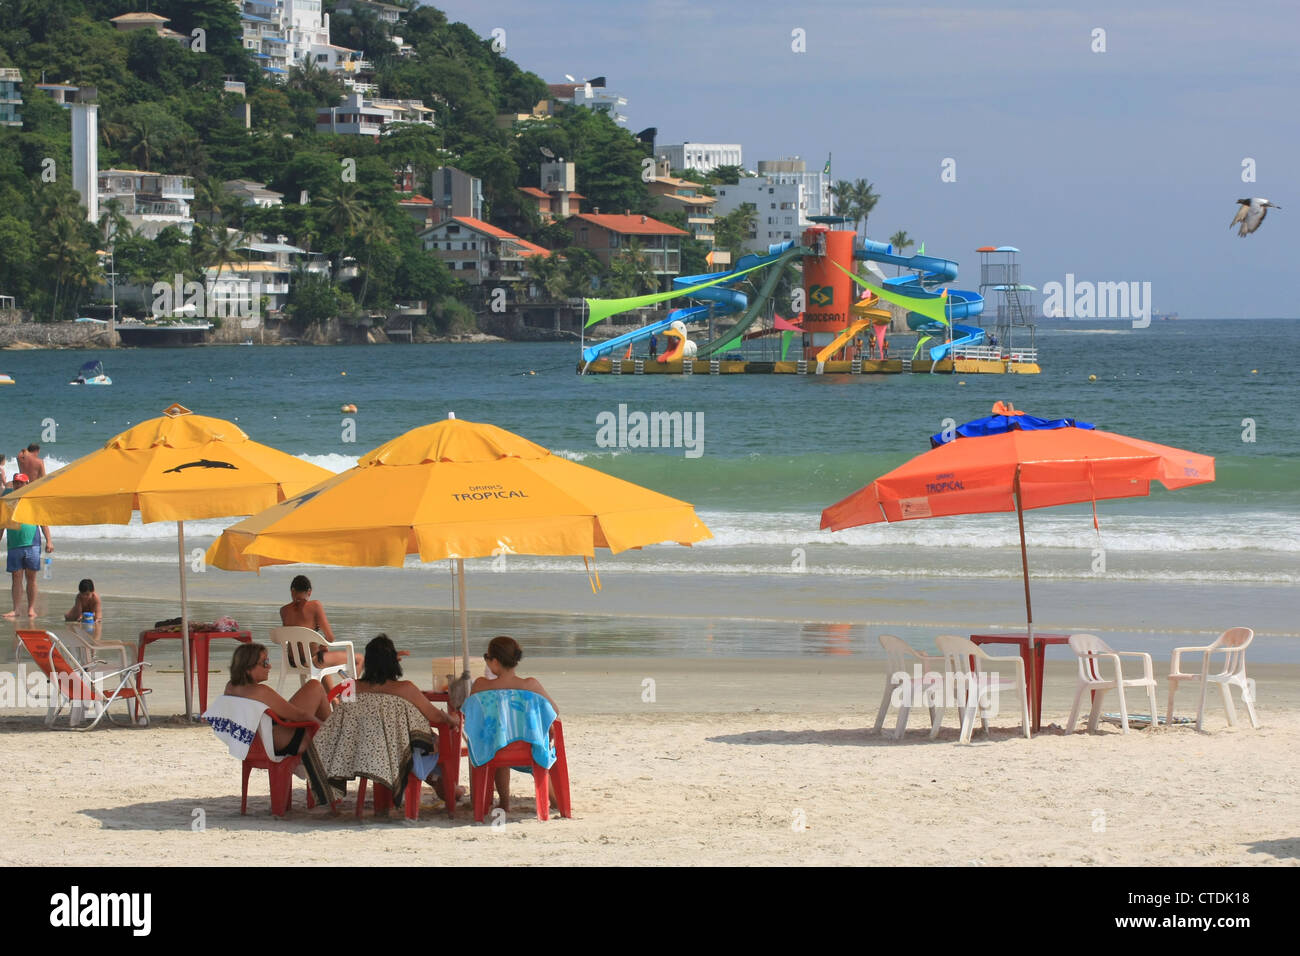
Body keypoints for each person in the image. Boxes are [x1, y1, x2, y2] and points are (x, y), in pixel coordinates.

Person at [353, 633, 461, 803]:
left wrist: (381, 661)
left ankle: (437, 780)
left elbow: (344, 711)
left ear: (367, 662)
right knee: (435, 741)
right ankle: (444, 785)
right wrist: (452, 719)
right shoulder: (405, 688)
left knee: (419, 740)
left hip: (367, 751)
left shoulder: (351, 688)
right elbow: (435, 715)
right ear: (393, 663)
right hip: (402, 753)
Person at [470, 635, 559, 812]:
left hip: (492, 748)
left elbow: (471, 711)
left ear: (494, 661)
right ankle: (555, 801)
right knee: (534, 749)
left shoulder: (481, 685)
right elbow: (553, 710)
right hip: (530, 746)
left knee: (500, 738)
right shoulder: (530, 685)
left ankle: (504, 802)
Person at [223, 642, 330, 757]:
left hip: (252, 744)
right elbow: (300, 715)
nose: (269, 666)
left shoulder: (231, 687)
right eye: (265, 663)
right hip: (280, 744)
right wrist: (324, 727)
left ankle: (332, 731)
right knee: (315, 686)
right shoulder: (261, 691)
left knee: (313, 688)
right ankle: (334, 733)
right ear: (248, 668)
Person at [279, 574, 363, 679]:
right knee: (359, 659)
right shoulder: (315, 605)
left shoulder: (284, 611)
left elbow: (296, 632)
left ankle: (334, 696)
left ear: (292, 591)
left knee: (321, 661)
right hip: (313, 660)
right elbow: (330, 638)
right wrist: (323, 644)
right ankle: (349, 692)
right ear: (309, 592)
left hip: (293, 661)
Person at [4, 474, 52, 620]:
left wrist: (49, 541)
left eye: (21, 483)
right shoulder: (8, 500)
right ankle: (16, 609)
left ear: (27, 484)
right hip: (14, 544)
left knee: (31, 577)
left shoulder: (33, 500)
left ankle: (31, 608)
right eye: (16, 483)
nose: (18, 485)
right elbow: (2, 522)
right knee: (16, 577)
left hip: (32, 543)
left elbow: (43, 521)